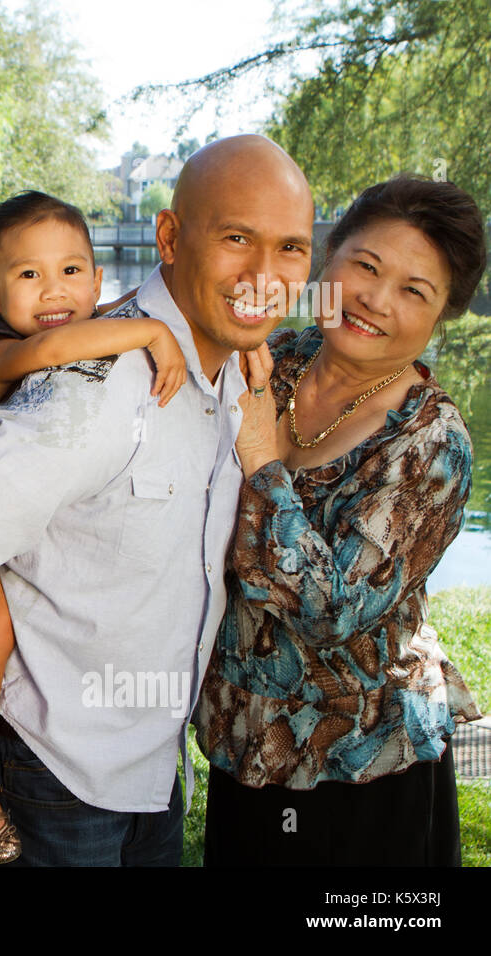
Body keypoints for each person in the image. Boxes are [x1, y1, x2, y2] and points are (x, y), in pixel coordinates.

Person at [0, 134, 315, 866]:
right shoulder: (103, 382)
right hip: (54, 776)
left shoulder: (240, 371)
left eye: (292, 249)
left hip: (152, 773)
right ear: (169, 236)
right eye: (237, 238)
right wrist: (5, 659)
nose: (264, 276)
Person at [195, 175, 486, 866]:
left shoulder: (431, 444)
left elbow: (332, 611)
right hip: (247, 747)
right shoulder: (277, 358)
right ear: (328, 259)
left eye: (415, 291)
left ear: (442, 315)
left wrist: (264, 461)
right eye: (366, 266)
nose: (375, 301)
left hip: (363, 769)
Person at [0, 191, 187, 864]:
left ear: (99, 282)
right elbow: (58, 345)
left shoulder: (90, 345)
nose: (53, 291)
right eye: (28, 275)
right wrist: (153, 330)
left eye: (71, 272)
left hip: (16, 526)